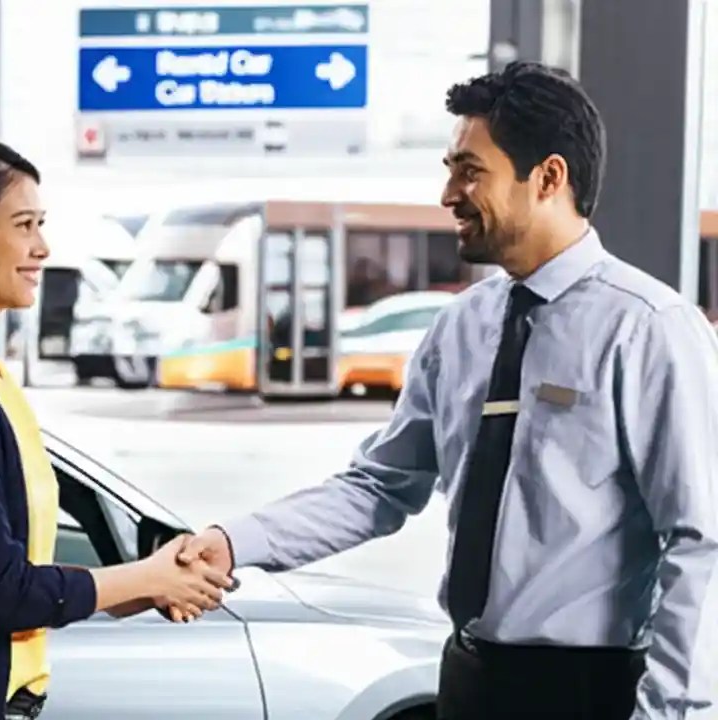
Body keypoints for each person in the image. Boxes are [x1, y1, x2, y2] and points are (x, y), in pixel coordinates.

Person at [177, 61, 718, 719]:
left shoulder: (649, 329)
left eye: (469, 170)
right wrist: (236, 542)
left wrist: (670, 713)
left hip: (590, 691)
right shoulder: (462, 325)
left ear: (548, 177)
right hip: (468, 679)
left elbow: (699, 540)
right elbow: (378, 488)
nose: (447, 194)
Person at [0, 132, 232, 720]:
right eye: (24, 225)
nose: (43, 247)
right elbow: (2, 591)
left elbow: (10, 571)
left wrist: (148, 583)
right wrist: (142, 575)